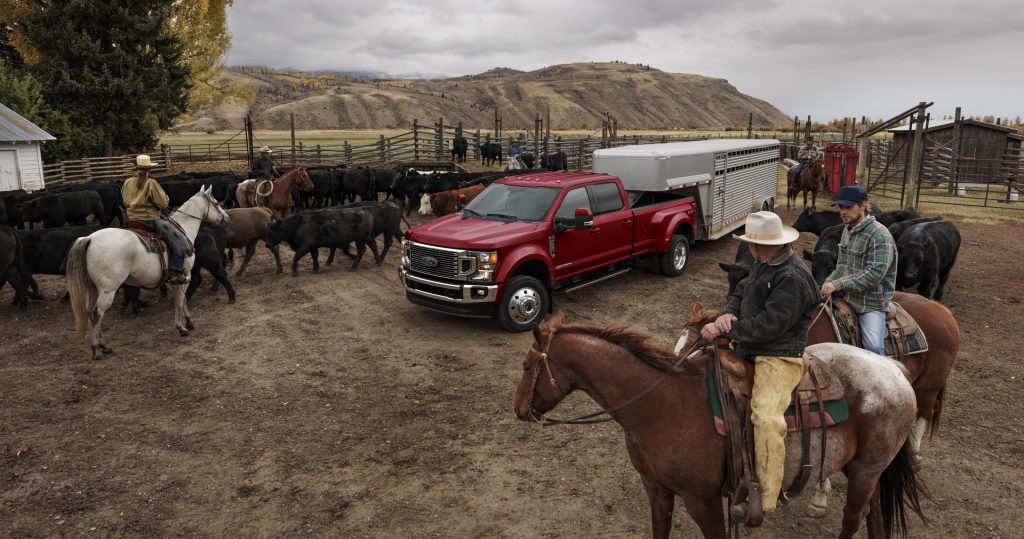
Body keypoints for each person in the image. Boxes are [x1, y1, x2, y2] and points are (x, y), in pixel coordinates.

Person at [700, 211, 820, 521]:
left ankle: (765, 497)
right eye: (751, 245)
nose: (753, 252)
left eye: (758, 246)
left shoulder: (794, 277)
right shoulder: (762, 262)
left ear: (778, 244)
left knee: (766, 416)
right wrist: (725, 314)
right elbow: (739, 293)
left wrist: (727, 330)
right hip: (749, 346)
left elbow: (772, 325)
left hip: (778, 354)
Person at [820, 185, 897, 356]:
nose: (843, 211)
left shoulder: (879, 235)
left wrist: (838, 284)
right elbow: (842, 267)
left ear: (863, 206)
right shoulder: (848, 231)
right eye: (841, 207)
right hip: (848, 296)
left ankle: (882, 378)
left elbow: (874, 274)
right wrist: (826, 283)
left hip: (870, 302)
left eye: (848, 207)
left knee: (873, 348)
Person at [120, 154, 193, 285]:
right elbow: (163, 203)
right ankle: (176, 272)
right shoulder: (151, 183)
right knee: (180, 239)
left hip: (132, 221)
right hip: (150, 220)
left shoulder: (126, 182)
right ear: (149, 169)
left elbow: (125, 202)